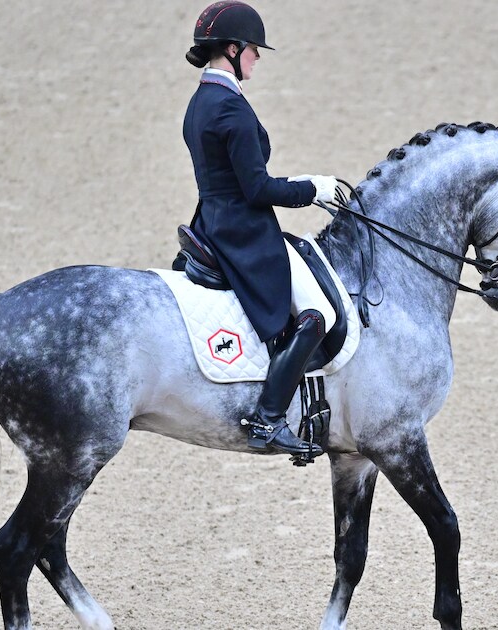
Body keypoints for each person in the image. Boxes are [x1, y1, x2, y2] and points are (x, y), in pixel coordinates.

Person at [183, 2, 338, 457]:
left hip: (211, 220)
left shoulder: (201, 102)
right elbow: (256, 188)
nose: (257, 57)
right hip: (243, 232)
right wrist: (312, 188)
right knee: (315, 315)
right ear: (231, 49)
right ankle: (269, 418)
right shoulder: (230, 108)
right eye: (252, 49)